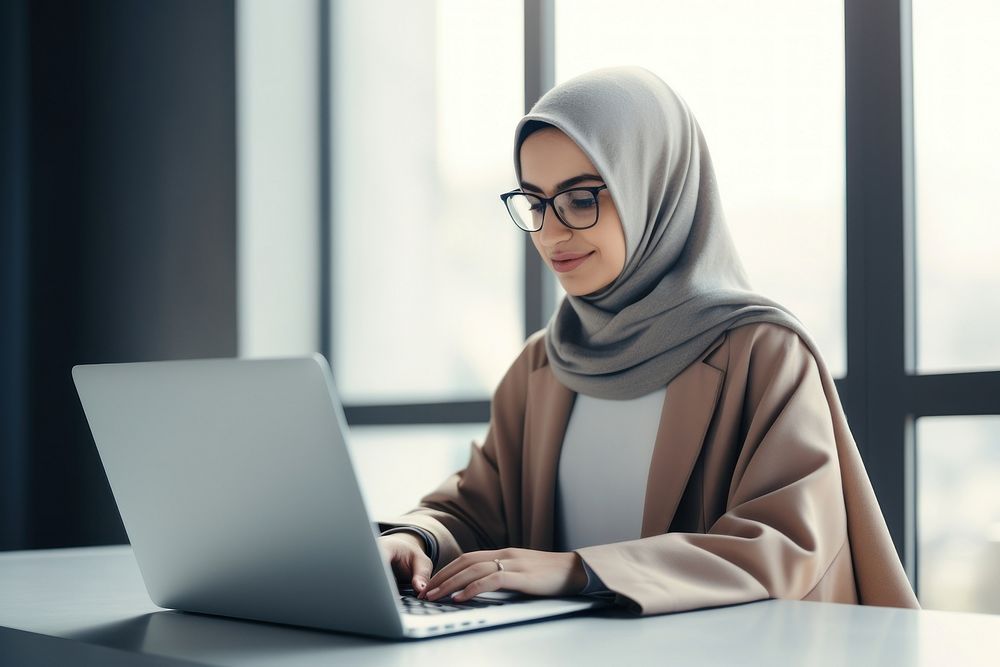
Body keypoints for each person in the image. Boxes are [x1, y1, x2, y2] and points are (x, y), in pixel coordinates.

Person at [376, 66, 919, 615]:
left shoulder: (762, 353)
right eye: (535, 202)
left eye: (581, 199)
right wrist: (414, 539)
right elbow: (476, 511)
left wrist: (580, 571)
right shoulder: (544, 363)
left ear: (655, 191)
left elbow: (783, 545)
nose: (552, 232)